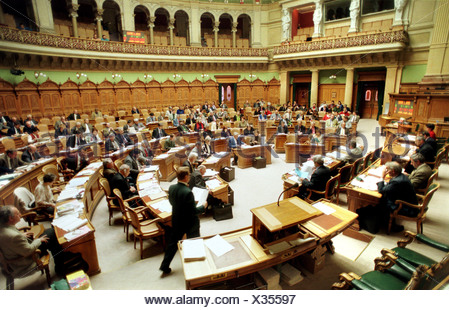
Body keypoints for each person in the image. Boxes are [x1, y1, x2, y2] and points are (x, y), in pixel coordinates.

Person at [0, 206, 63, 278]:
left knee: (50, 236)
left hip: (18, 252)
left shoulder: (3, 227)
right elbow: (28, 250)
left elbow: (9, 240)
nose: (20, 215)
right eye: (18, 214)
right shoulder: (13, 236)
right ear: (10, 218)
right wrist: (38, 240)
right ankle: (60, 268)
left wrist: (21, 235)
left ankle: (61, 262)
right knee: (51, 234)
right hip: (27, 259)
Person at [159, 167, 201, 275]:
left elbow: (172, 202)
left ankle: (164, 265)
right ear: (186, 176)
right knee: (194, 241)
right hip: (190, 222)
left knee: (173, 243)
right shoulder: (188, 192)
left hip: (176, 219)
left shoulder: (172, 187)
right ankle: (196, 266)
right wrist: (203, 206)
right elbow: (193, 211)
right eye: (189, 175)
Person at [377, 161, 418, 232]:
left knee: (379, 201)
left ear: (393, 171)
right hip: (406, 201)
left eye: (387, 169)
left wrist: (382, 177)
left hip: (406, 207)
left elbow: (381, 190)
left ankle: (387, 225)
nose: (386, 171)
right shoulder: (401, 176)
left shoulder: (397, 181)